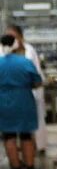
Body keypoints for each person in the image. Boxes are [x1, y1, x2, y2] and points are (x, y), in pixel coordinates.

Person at [0, 34, 43, 169]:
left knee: (9, 135)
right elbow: (37, 82)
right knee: (26, 135)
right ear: (15, 45)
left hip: (3, 102)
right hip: (23, 100)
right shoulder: (25, 62)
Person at [6, 25, 47, 153]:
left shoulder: (29, 51)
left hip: (26, 97)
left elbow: (36, 75)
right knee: (19, 134)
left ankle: (19, 167)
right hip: (12, 99)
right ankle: (25, 167)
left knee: (22, 134)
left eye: (13, 37)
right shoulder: (7, 56)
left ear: (20, 37)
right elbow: (36, 79)